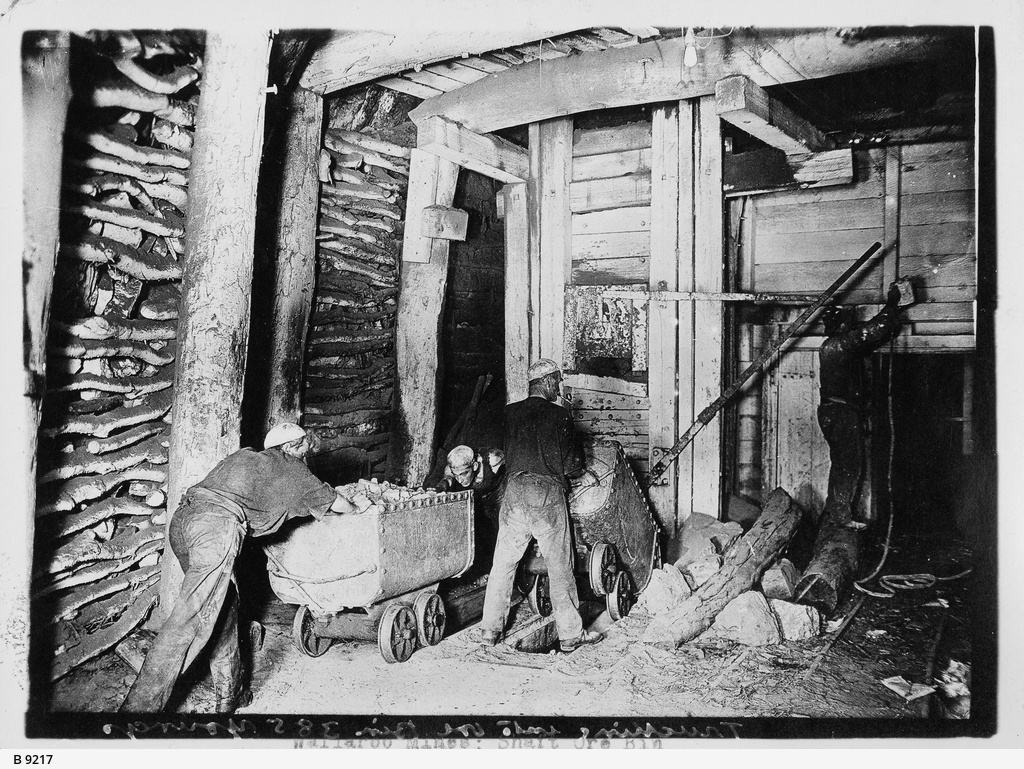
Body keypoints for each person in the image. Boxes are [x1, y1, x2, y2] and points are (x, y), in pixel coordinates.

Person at [121, 423, 358, 713]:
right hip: (216, 527)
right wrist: (362, 507)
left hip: (183, 521)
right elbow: (342, 505)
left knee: (224, 603)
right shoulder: (294, 469)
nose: (306, 454)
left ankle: (230, 694)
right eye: (304, 448)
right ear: (293, 447)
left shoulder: (246, 456)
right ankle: (137, 713)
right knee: (190, 619)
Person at [477, 359, 602, 653]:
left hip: (513, 492)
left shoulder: (509, 413)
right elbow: (573, 465)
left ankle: (489, 630)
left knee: (503, 564)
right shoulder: (560, 416)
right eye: (556, 382)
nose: (558, 388)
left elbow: (503, 454)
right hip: (545, 495)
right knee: (559, 566)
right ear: (546, 382)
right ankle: (571, 635)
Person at [817, 281, 910, 528]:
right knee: (848, 464)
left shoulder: (834, 347)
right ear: (841, 325)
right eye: (848, 322)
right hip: (840, 412)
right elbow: (872, 331)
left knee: (843, 463)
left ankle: (835, 514)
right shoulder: (839, 344)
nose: (852, 325)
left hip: (835, 411)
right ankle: (840, 517)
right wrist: (893, 304)